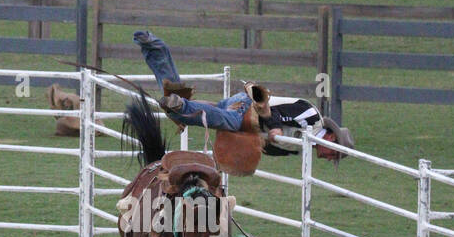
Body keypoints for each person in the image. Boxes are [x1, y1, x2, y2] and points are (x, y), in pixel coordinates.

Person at [132, 30, 353, 163]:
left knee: (179, 111)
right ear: (331, 139)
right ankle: (181, 105)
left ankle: (156, 50)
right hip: (246, 107)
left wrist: (258, 143)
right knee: (232, 120)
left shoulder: (300, 147)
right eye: (334, 155)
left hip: (240, 115)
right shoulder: (311, 115)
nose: (327, 158)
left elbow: (268, 148)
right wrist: (273, 130)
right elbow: (271, 112)